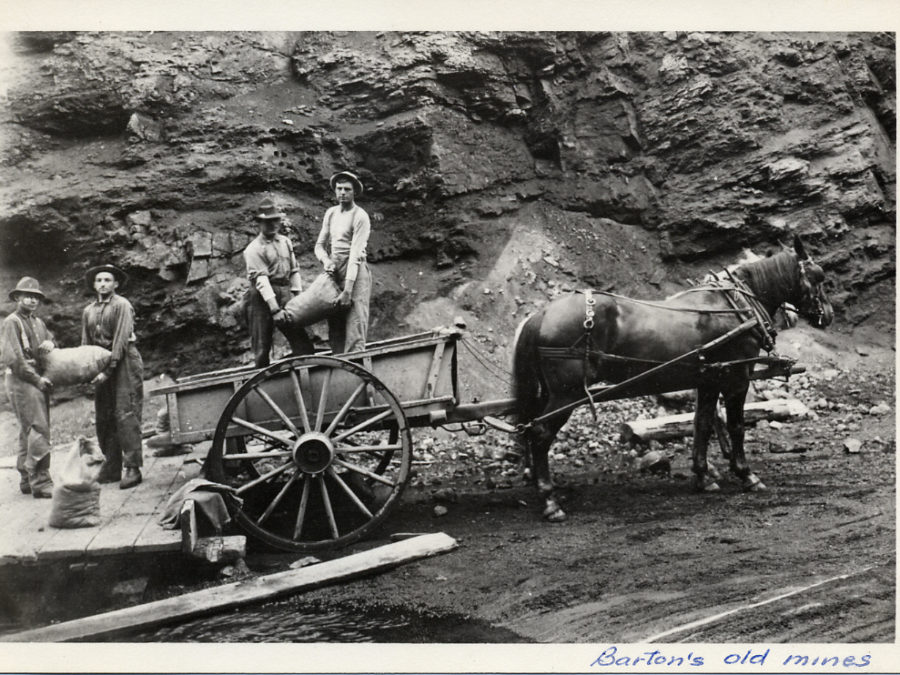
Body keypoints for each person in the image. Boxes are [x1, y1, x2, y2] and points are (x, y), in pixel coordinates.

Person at [81, 264, 145, 489]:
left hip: (124, 362)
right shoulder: (88, 311)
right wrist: (88, 369)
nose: (103, 284)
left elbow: (120, 340)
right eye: (99, 280)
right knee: (104, 416)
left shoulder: (122, 306)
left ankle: (132, 467)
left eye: (108, 280)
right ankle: (111, 466)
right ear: (94, 285)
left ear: (116, 284)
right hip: (101, 366)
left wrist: (108, 371)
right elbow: (86, 344)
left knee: (125, 413)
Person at [243, 196, 315, 367]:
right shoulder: (254, 249)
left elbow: (294, 270)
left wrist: (297, 296)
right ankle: (261, 381)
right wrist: (274, 309)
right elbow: (261, 281)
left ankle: (306, 374)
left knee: (300, 338)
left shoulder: (285, 242)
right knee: (262, 345)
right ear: (259, 223)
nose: (273, 225)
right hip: (261, 297)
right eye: (268, 222)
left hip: (284, 291)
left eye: (276, 220)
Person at [0, 277, 55, 498]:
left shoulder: (38, 322)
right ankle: (41, 482)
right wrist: (36, 379)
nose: (32, 300)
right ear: (17, 298)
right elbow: (14, 358)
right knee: (38, 428)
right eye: (27, 296)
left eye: (35, 297)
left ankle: (26, 477)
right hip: (22, 379)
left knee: (28, 429)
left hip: (35, 378)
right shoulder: (12, 321)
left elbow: (49, 340)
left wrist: (51, 342)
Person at [314, 171, 372, 354]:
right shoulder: (331, 214)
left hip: (355, 271)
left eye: (347, 189)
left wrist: (348, 290)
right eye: (339, 189)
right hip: (335, 270)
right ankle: (338, 370)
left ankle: (356, 367)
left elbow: (355, 254)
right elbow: (319, 246)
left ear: (354, 192)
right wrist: (326, 261)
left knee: (356, 323)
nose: (342, 193)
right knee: (335, 323)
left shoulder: (360, 216)